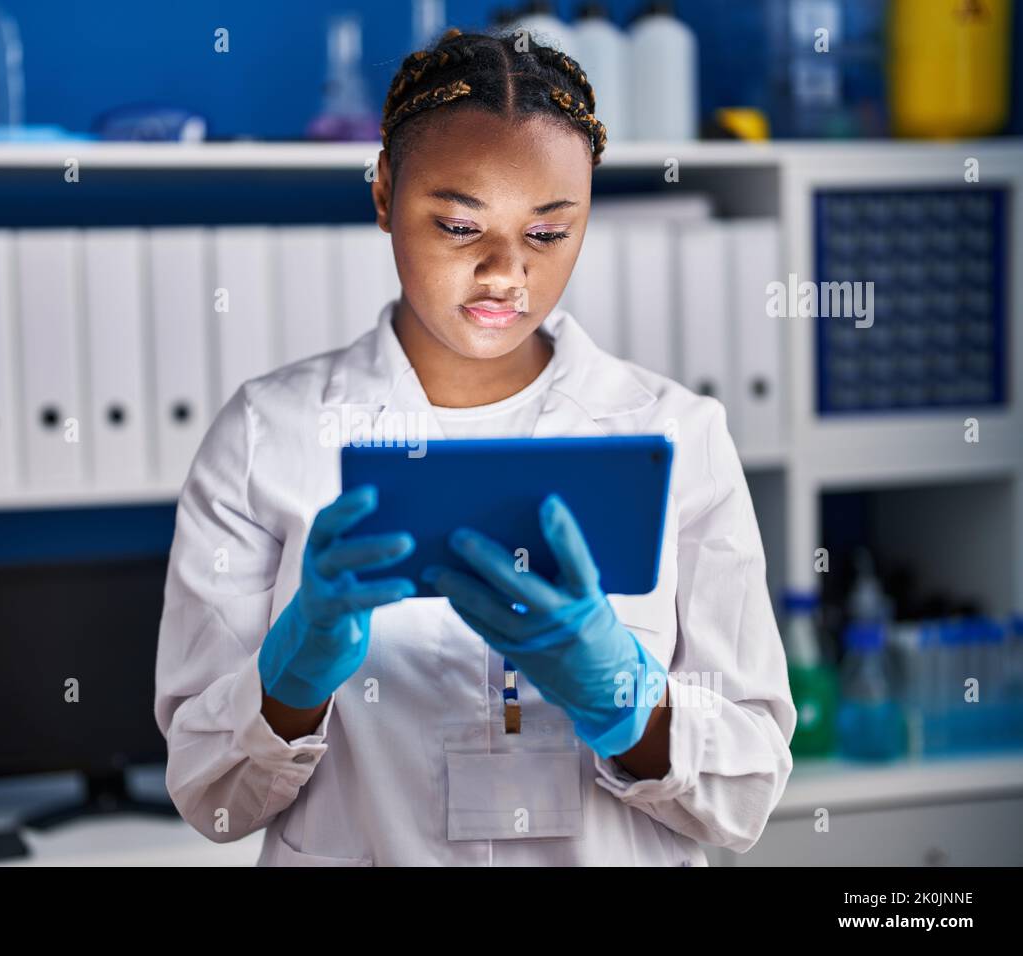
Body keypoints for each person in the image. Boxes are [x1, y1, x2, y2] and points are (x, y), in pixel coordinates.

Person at [155, 27, 795, 865]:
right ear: (385, 192)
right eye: (460, 226)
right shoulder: (267, 437)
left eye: (547, 233)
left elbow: (747, 793)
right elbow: (210, 797)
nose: (504, 273)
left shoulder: (677, 435)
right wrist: (290, 681)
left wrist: (628, 703)